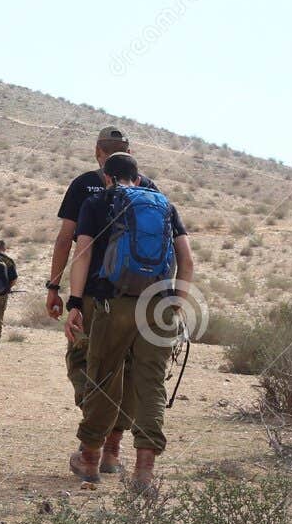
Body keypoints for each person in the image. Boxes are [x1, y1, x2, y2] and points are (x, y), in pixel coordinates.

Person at [63, 152, 194, 492]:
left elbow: (83, 253)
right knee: (151, 385)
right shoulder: (164, 204)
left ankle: (90, 459)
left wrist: (75, 302)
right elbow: (187, 259)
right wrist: (176, 303)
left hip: (109, 302)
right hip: (158, 305)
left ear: (106, 176)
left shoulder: (97, 202)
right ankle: (144, 474)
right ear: (138, 177)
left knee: (103, 377)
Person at [45, 125, 162, 472]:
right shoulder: (149, 189)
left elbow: (67, 240)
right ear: (130, 153)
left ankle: (93, 447)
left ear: (98, 152)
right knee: (128, 371)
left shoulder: (86, 186)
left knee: (86, 364)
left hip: (98, 295)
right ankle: (113, 449)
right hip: (145, 297)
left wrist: (57, 289)